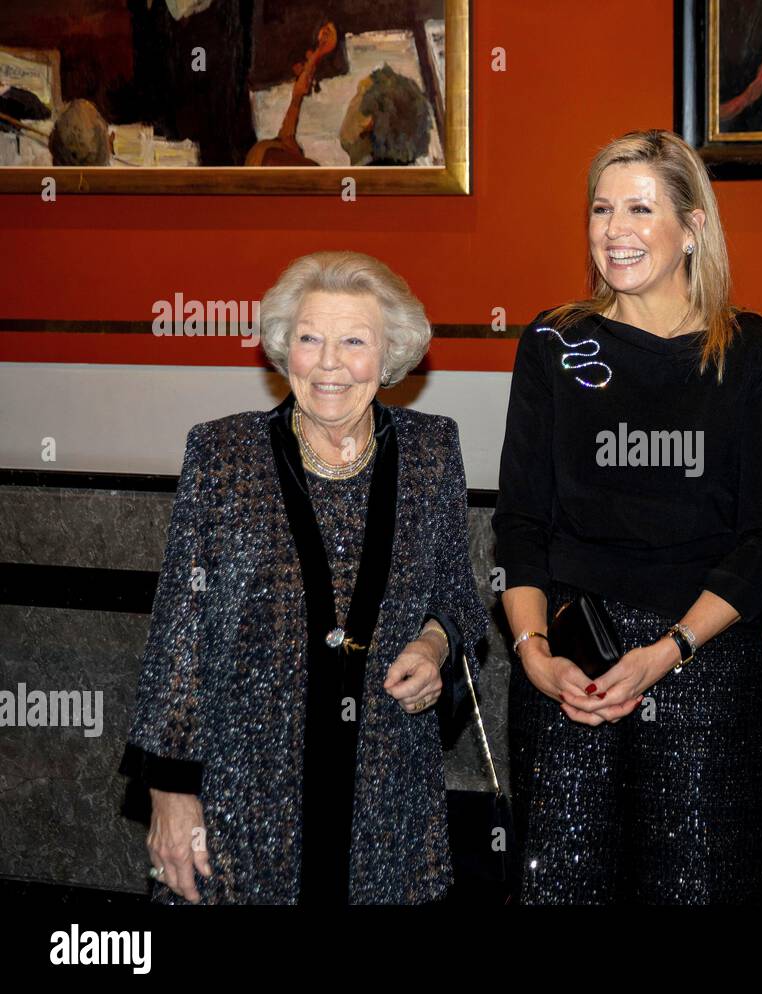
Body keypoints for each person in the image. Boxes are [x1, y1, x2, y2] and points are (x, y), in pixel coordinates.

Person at [119, 250, 489, 904]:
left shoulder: (433, 450)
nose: (327, 363)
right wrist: (171, 796)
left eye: (353, 341)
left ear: (391, 354)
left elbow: (458, 600)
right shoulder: (223, 454)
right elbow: (180, 637)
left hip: (387, 799)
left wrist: (436, 647)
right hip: (244, 803)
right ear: (284, 347)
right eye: (309, 338)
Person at [493, 129, 762, 904]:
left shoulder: (751, 351)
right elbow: (522, 524)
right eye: (601, 208)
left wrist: (669, 650)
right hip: (571, 666)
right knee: (559, 889)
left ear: (694, 224)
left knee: (695, 890)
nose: (613, 229)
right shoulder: (554, 344)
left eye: (639, 207)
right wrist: (533, 656)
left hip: (703, 661)